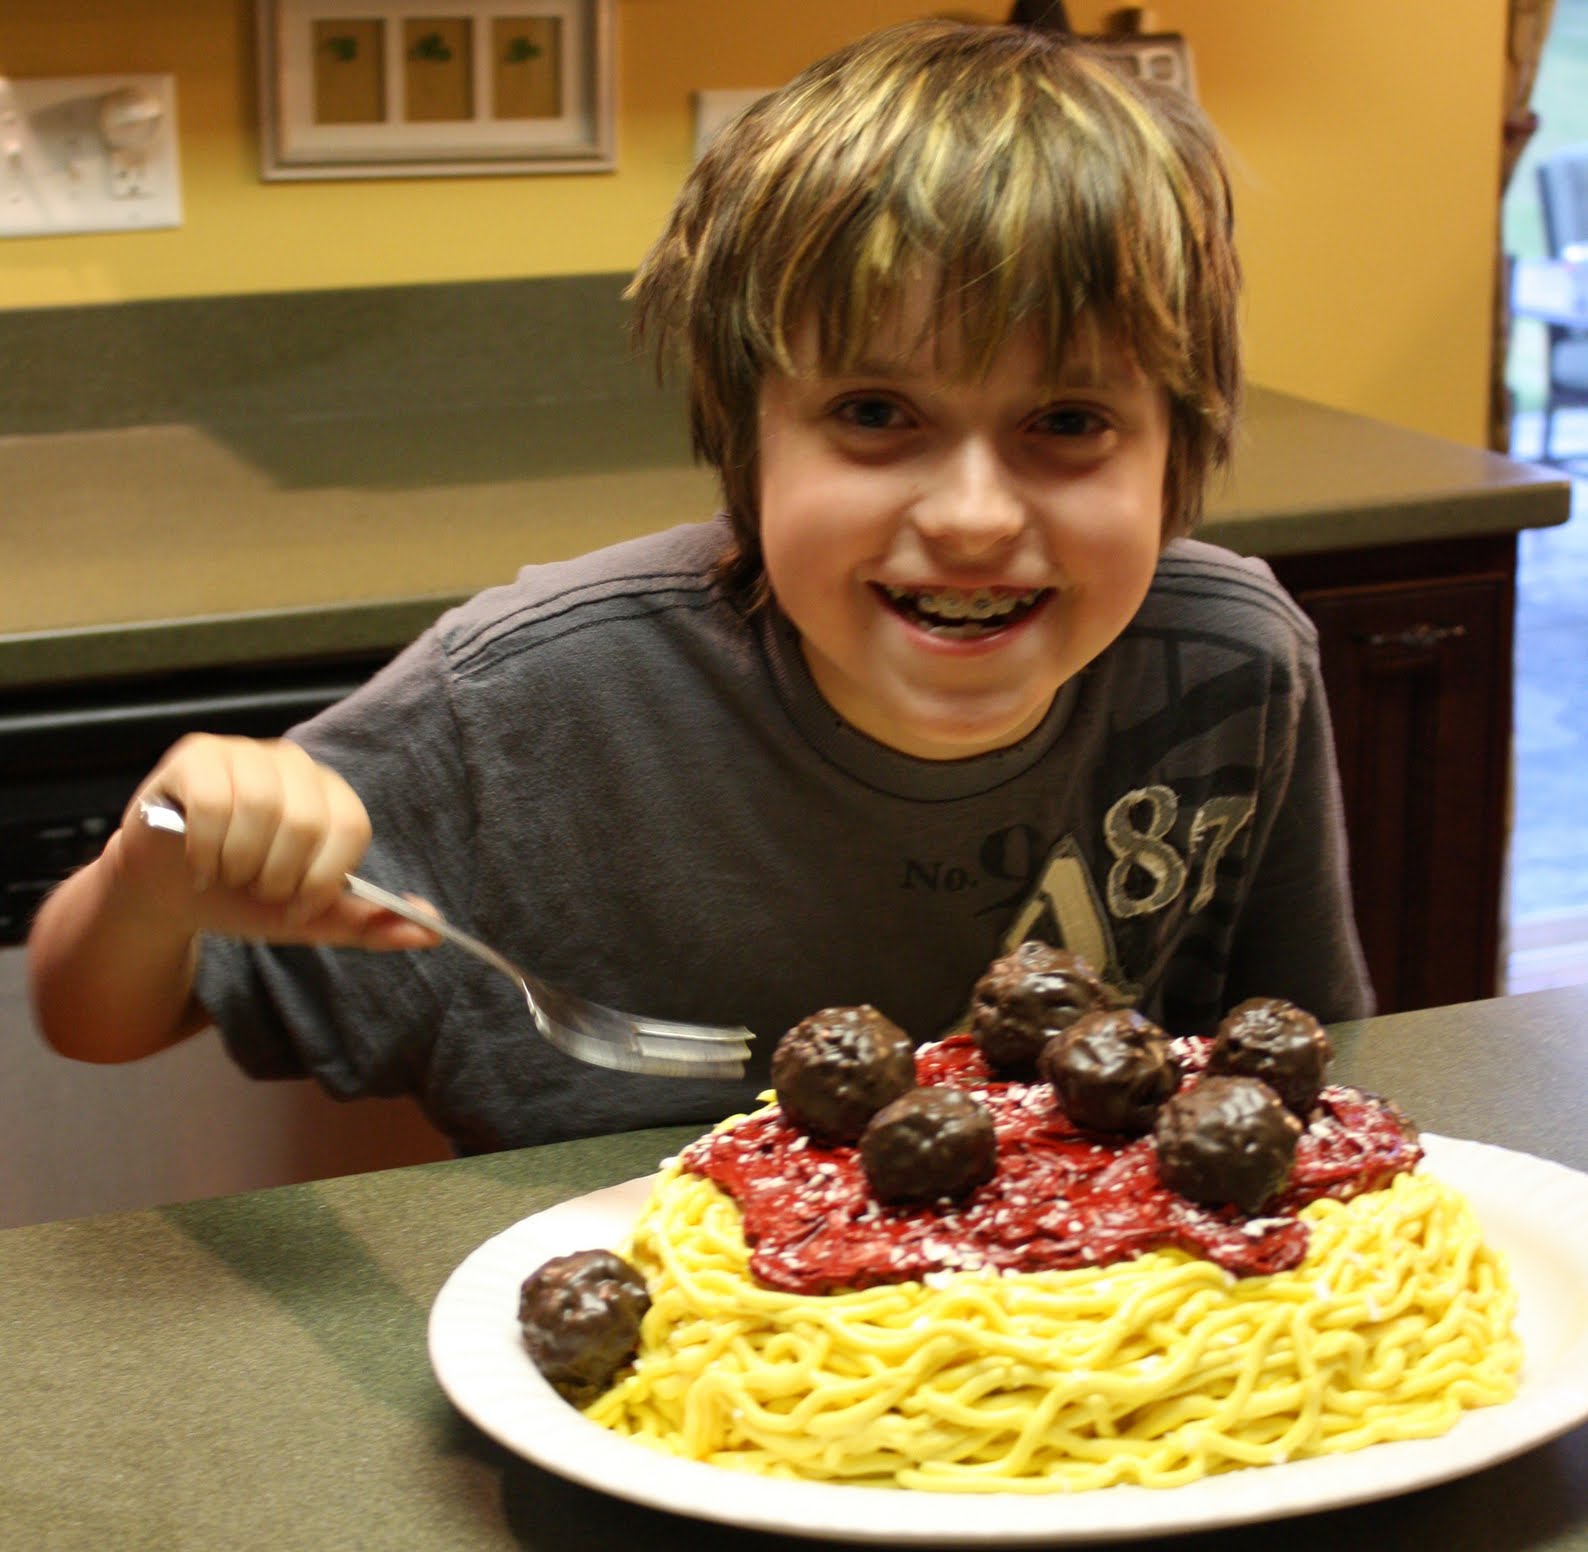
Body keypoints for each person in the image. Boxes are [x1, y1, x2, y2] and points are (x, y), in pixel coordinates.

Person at [28, 19, 1371, 1155]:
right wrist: (154, 867)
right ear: (747, 437)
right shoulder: (524, 706)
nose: (972, 517)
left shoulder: (1232, 667)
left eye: (1070, 423)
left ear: (1178, 452)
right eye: (874, 412)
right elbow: (99, 1017)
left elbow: (1320, 1087)